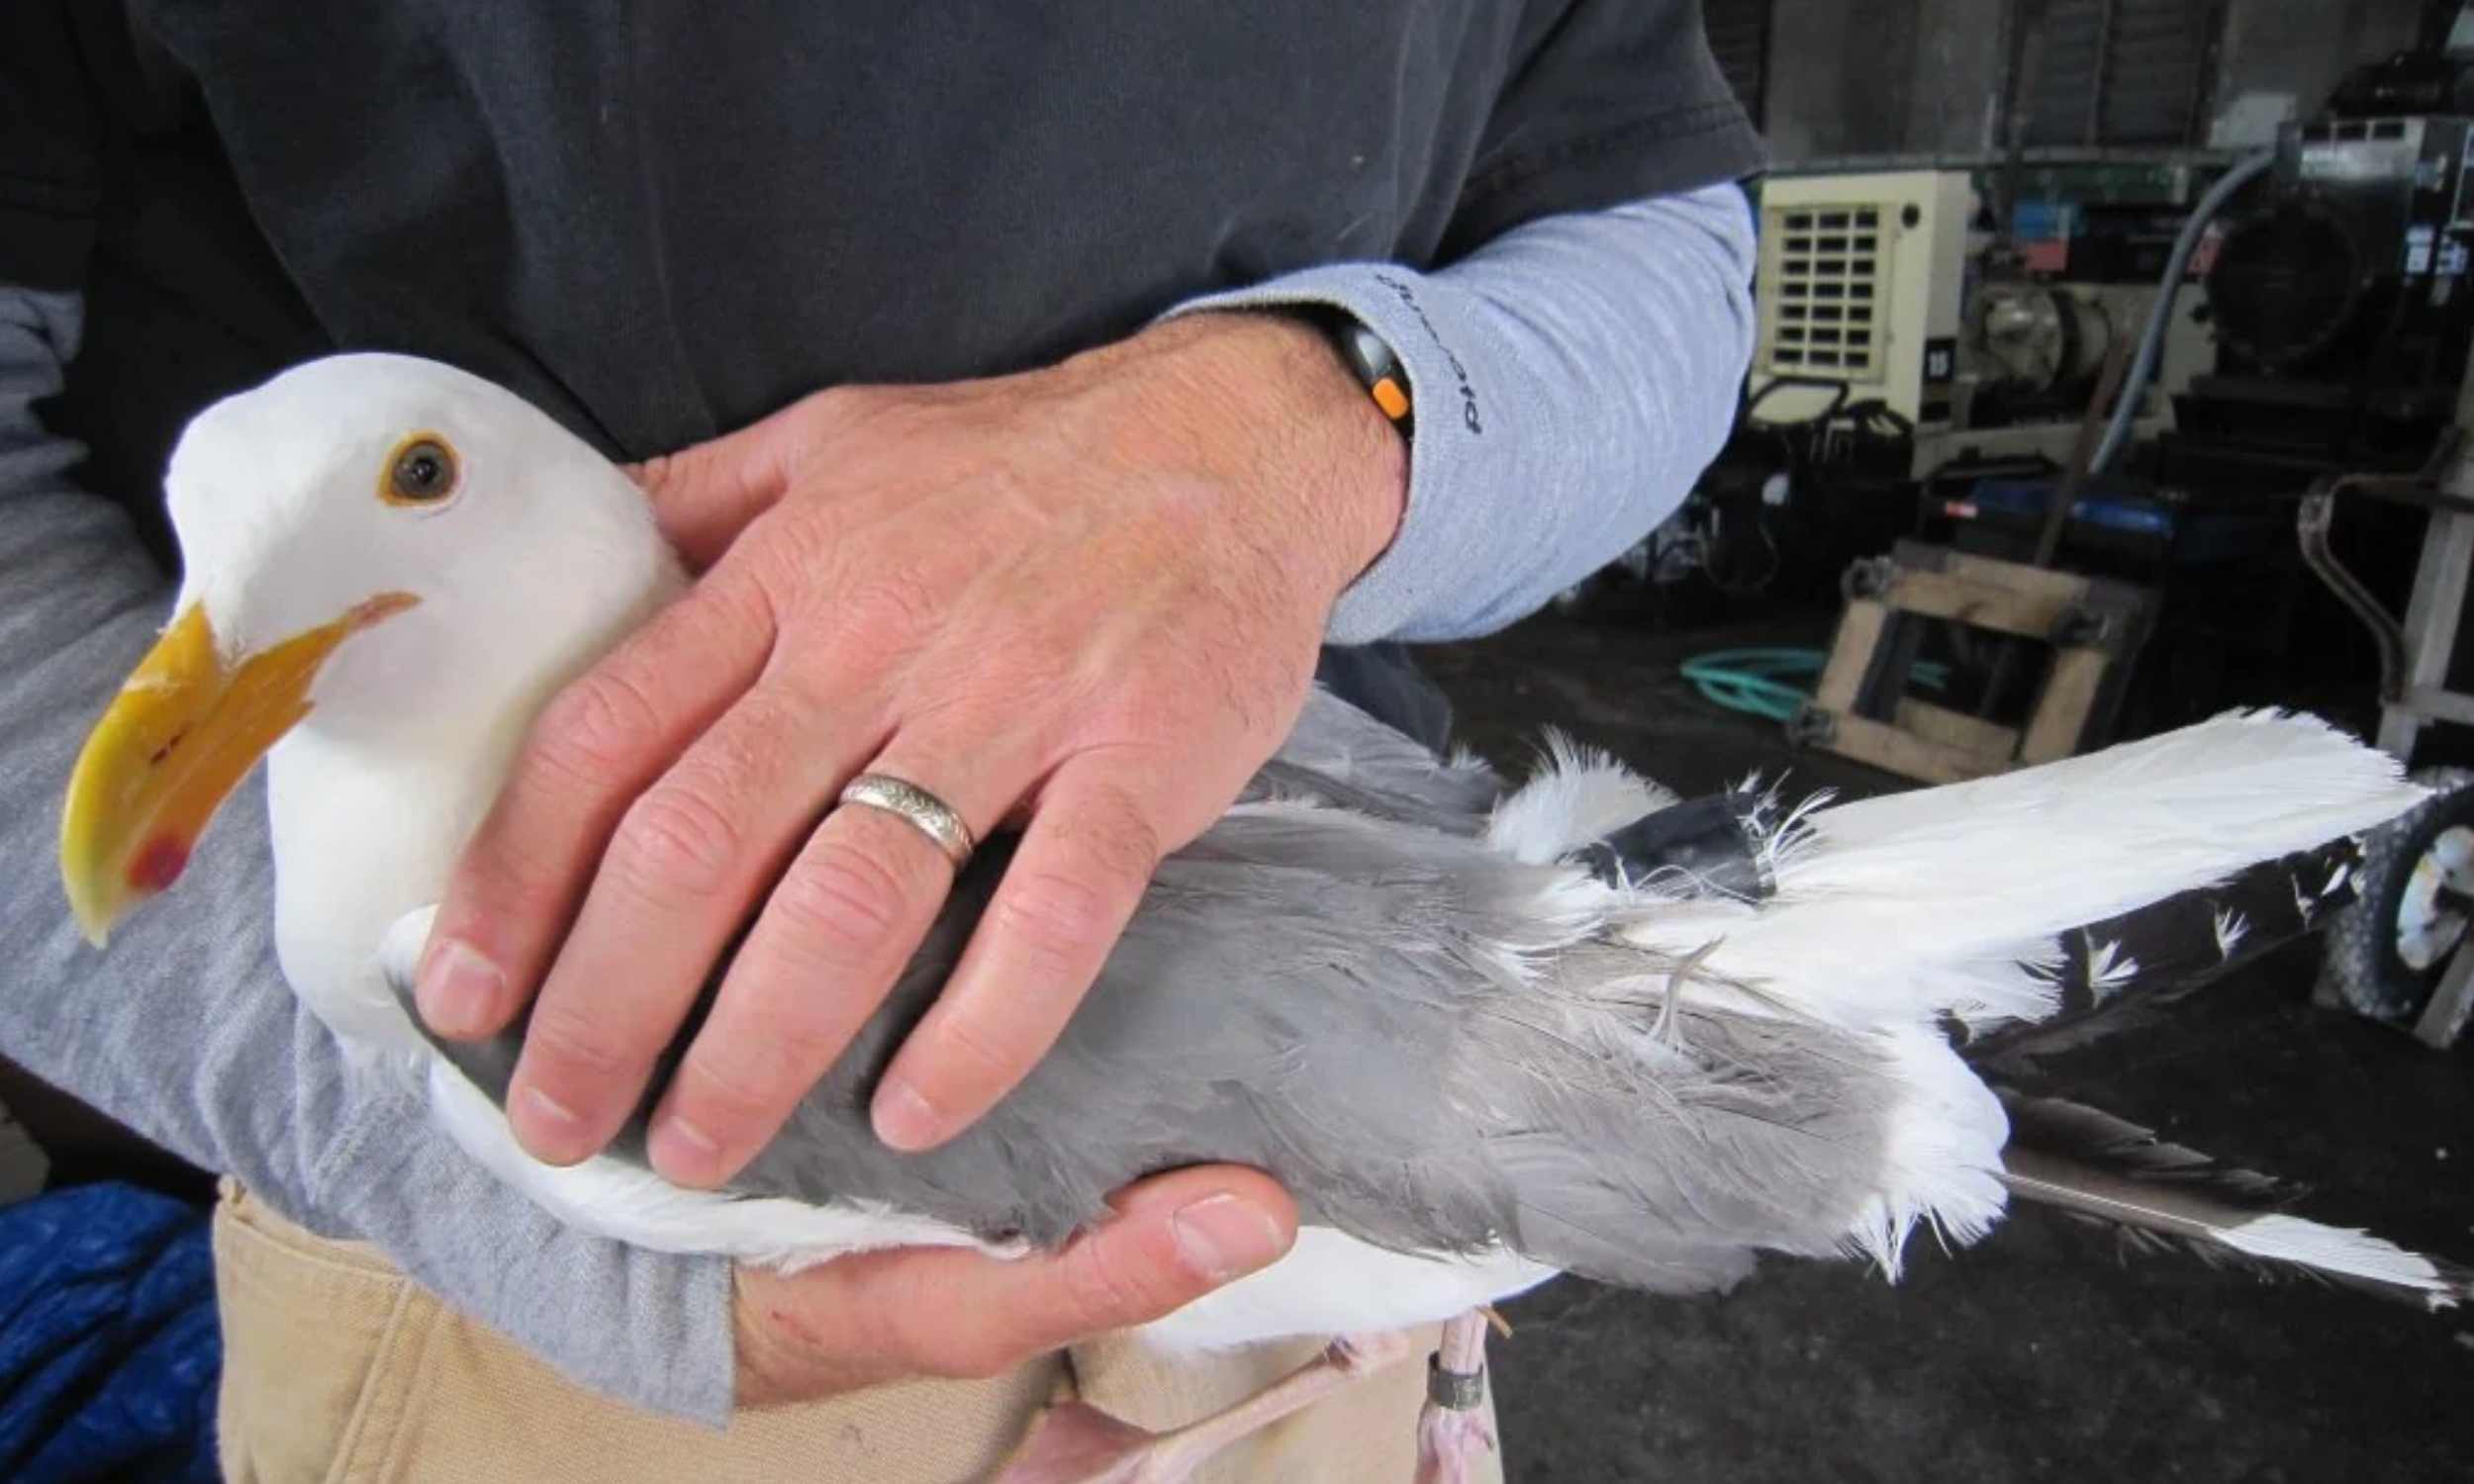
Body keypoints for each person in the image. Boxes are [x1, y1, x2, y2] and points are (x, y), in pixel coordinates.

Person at [0, 3, 1760, 1478]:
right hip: (546, 1326)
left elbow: (1655, 219)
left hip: (1352, 1133)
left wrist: (1317, 417)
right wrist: (457, 1130)